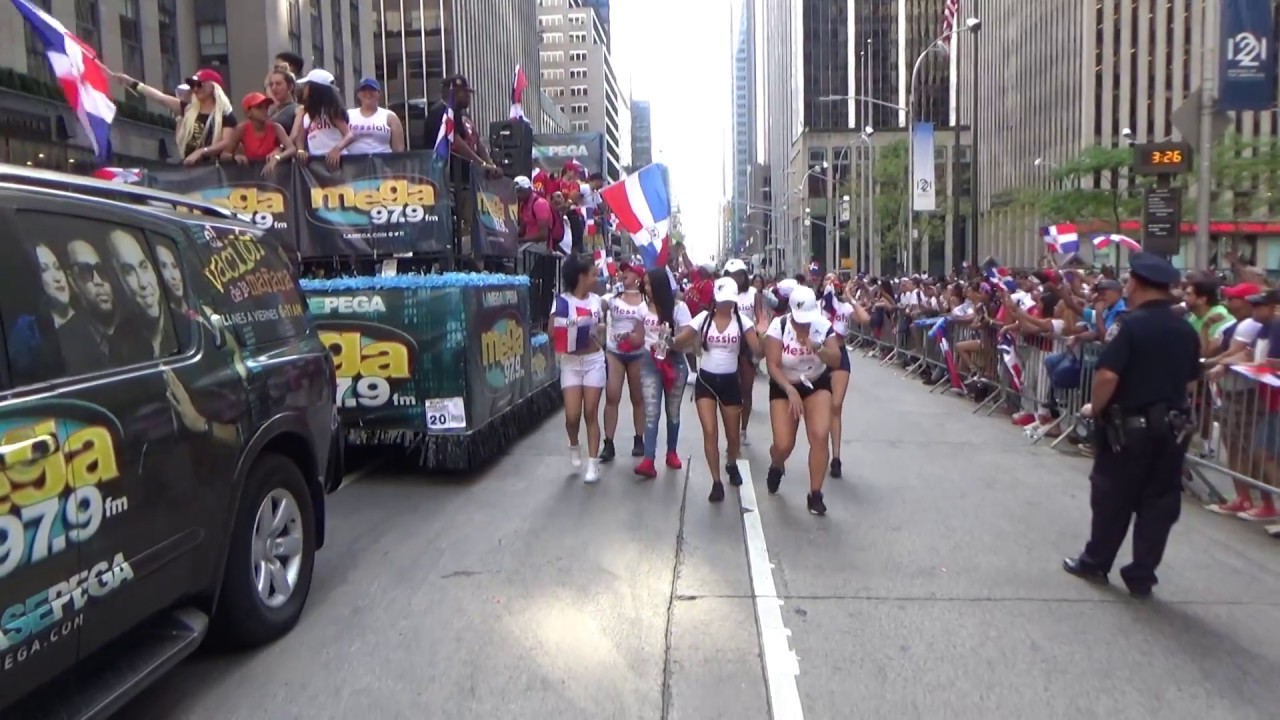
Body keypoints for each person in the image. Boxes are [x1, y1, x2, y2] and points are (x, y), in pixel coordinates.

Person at [1063, 252, 1201, 598]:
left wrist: (1097, 408)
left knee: (1112, 497)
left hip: (1127, 429)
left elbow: (1108, 374)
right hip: (1171, 430)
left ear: (1136, 284)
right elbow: (1191, 382)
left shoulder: (1128, 325)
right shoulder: (1185, 330)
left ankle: (1096, 562)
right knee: (1159, 503)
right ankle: (1142, 574)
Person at [677, 277, 762, 501]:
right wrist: (667, 339)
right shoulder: (703, 319)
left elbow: (758, 351)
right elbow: (681, 339)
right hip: (706, 381)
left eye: (730, 301)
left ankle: (731, 462)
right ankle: (716, 482)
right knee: (710, 432)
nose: (727, 305)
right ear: (716, 298)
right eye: (723, 300)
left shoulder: (743, 322)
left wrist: (761, 331)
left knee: (732, 436)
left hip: (730, 382)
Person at [763, 286, 845, 515]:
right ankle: (777, 464)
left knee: (819, 435)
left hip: (815, 382)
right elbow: (772, 364)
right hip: (785, 384)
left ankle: (815, 494)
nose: (803, 325)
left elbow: (836, 359)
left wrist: (817, 347)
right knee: (784, 443)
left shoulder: (822, 327)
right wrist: (789, 390)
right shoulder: (778, 326)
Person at [551, 253, 607, 483]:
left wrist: (599, 330)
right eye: (593, 274)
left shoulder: (597, 301)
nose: (597, 278)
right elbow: (551, 333)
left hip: (594, 361)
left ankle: (593, 464)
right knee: (572, 416)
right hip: (571, 364)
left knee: (590, 413)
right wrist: (570, 327)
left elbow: (602, 333)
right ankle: (574, 444)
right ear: (581, 276)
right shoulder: (562, 302)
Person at [112, 68, 236, 164]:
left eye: (200, 84)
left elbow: (226, 141)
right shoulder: (188, 109)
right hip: (189, 167)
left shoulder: (225, 115)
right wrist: (130, 82)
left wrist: (201, 152)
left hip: (213, 169)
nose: (195, 89)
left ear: (213, 87)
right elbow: (159, 97)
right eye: (193, 85)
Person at [638, 268, 694, 475]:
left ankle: (671, 452)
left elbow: (689, 334)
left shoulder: (679, 308)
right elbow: (638, 334)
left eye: (650, 284)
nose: (646, 288)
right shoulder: (642, 308)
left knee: (673, 412)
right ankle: (648, 460)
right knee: (651, 412)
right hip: (649, 363)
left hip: (675, 363)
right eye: (644, 284)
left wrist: (672, 342)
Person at [820, 273, 870, 478]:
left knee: (835, 406)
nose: (831, 283)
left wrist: (849, 296)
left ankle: (836, 457)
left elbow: (865, 319)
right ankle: (821, 449)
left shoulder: (844, 307)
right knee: (821, 407)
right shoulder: (816, 306)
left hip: (839, 356)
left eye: (834, 279)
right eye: (827, 279)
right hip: (820, 357)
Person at [601, 263, 650, 464]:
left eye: (628, 272)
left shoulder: (646, 302)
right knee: (612, 396)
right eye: (623, 272)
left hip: (638, 353)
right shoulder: (612, 298)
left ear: (637, 277)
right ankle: (608, 443)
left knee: (638, 397)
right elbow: (597, 307)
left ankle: (639, 439)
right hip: (615, 352)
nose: (624, 274)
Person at [107, 229, 175, 359]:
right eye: (129, 272)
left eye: (143, 266)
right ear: (117, 281)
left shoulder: (188, 328)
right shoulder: (119, 346)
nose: (143, 283)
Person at [724, 259, 765, 445]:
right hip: (727, 343)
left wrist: (763, 331)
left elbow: (759, 315)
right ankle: (730, 429)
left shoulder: (753, 294)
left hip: (747, 343)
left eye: (739, 275)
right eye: (732, 275)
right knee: (730, 391)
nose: (736, 279)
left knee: (746, 389)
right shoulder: (723, 293)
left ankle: (743, 429)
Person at [204, 93, 296, 174]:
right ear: (248, 113)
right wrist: (235, 157)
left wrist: (277, 158)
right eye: (259, 107)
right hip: (251, 176)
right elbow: (225, 154)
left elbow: (291, 149)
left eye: (266, 107)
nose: (264, 111)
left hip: (274, 174)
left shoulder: (276, 127)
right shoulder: (242, 129)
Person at [422, 75, 497, 170]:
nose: (468, 96)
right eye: (464, 92)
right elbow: (456, 143)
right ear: (452, 93)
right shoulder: (439, 113)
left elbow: (477, 141)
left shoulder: (462, 113)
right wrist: (481, 164)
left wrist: (490, 164)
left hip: (471, 176)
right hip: (449, 178)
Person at [290, 69, 354, 169]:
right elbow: (300, 137)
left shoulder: (331, 111)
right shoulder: (305, 113)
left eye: (307, 85)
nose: (304, 88)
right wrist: (301, 150)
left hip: (338, 161)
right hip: (317, 163)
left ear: (315, 89)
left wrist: (337, 149)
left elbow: (349, 135)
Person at [346, 78, 405, 154]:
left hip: (383, 163)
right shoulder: (348, 115)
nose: (368, 93)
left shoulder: (390, 116)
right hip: (354, 164)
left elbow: (398, 149)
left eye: (372, 90)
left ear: (379, 94)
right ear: (358, 94)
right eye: (364, 90)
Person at [515, 176, 553, 247]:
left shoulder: (540, 204)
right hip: (527, 243)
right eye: (516, 191)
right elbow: (522, 230)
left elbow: (543, 236)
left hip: (540, 245)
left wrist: (521, 240)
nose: (517, 194)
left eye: (520, 191)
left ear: (529, 189)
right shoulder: (523, 205)